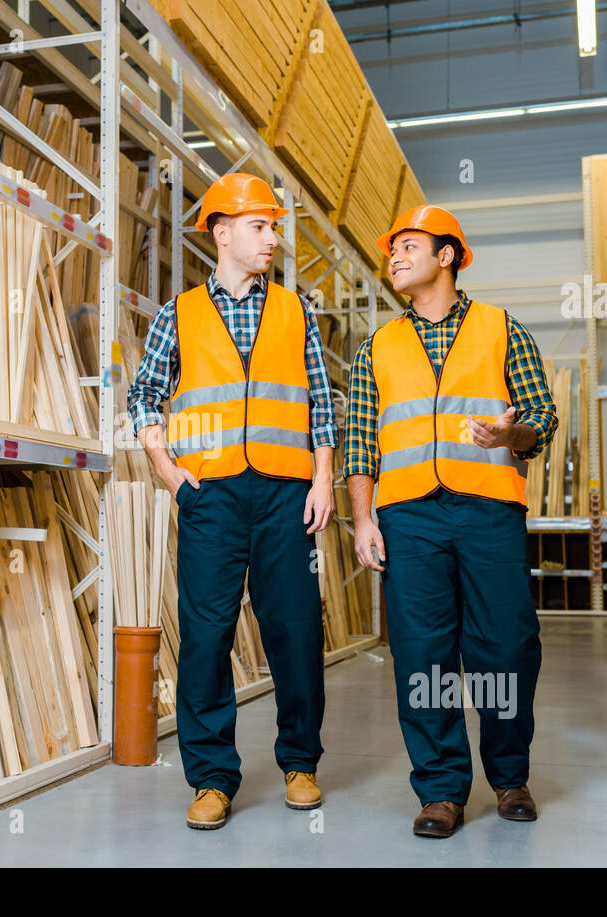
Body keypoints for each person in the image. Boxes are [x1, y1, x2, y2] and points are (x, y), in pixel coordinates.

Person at [127, 172, 336, 830]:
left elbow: (322, 403)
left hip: (285, 492)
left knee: (296, 629)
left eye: (273, 226)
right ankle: (213, 776)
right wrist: (165, 466)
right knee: (208, 635)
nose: (273, 238)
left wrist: (324, 477)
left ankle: (300, 762)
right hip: (210, 495)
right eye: (260, 226)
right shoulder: (178, 314)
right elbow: (142, 395)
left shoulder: (295, 311)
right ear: (222, 233)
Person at [344, 204, 558, 838]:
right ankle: (440, 789)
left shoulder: (502, 329)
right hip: (409, 516)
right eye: (392, 249)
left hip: (488, 510)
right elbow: (361, 441)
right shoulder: (376, 346)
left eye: (409, 245)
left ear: (447, 256)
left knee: (507, 647)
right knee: (422, 655)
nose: (395, 257)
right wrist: (363, 521)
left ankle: (511, 777)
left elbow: (540, 419)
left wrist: (509, 433)